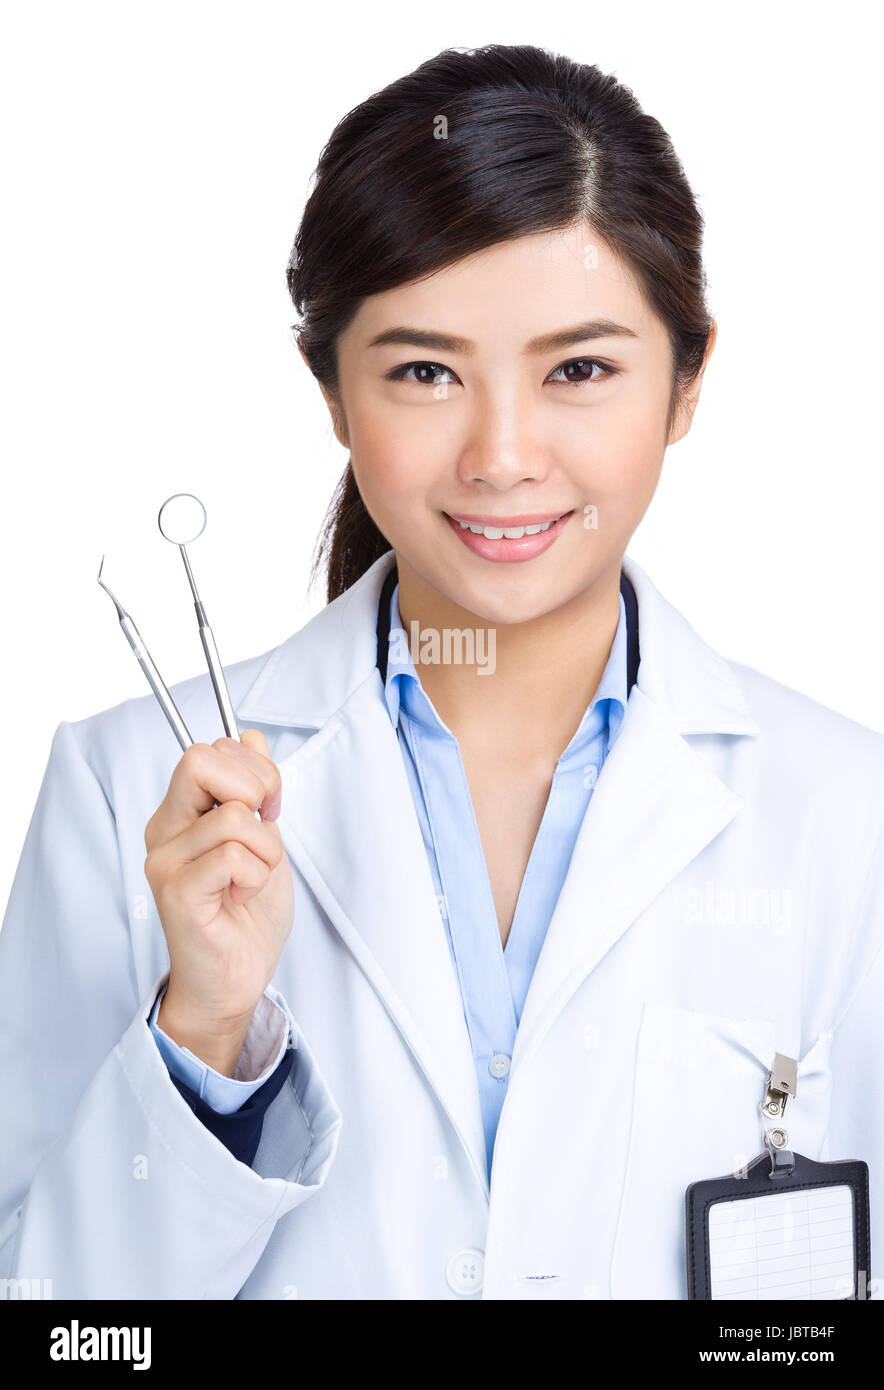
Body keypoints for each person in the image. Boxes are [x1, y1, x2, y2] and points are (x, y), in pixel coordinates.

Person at [1, 43, 882, 1301]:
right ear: (331, 391)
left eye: (578, 369)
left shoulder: (849, 818)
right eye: (423, 372)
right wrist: (201, 1042)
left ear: (686, 382)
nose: (502, 454)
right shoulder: (128, 785)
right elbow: (63, 1329)